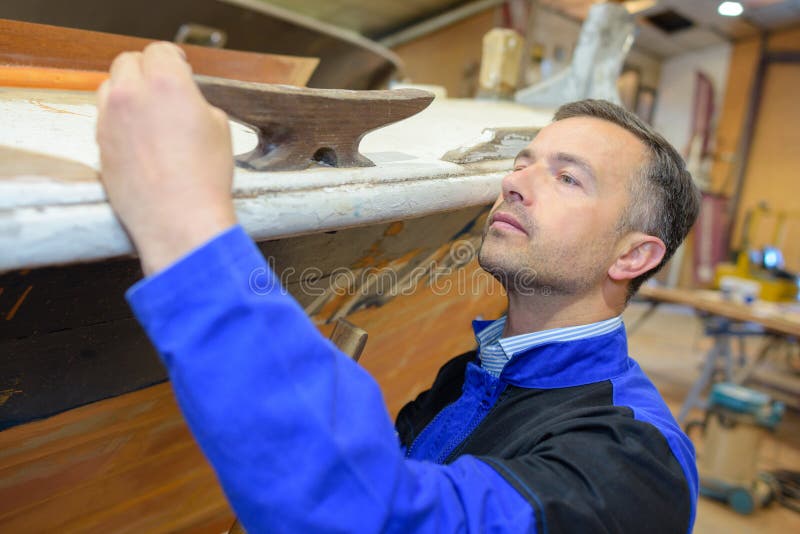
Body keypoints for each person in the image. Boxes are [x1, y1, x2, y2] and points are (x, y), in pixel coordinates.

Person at [96, 43, 700, 533]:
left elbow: (369, 514)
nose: (516, 182)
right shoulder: (473, 376)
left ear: (634, 255)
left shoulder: (634, 464)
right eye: (524, 159)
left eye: (568, 178)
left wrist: (186, 224)